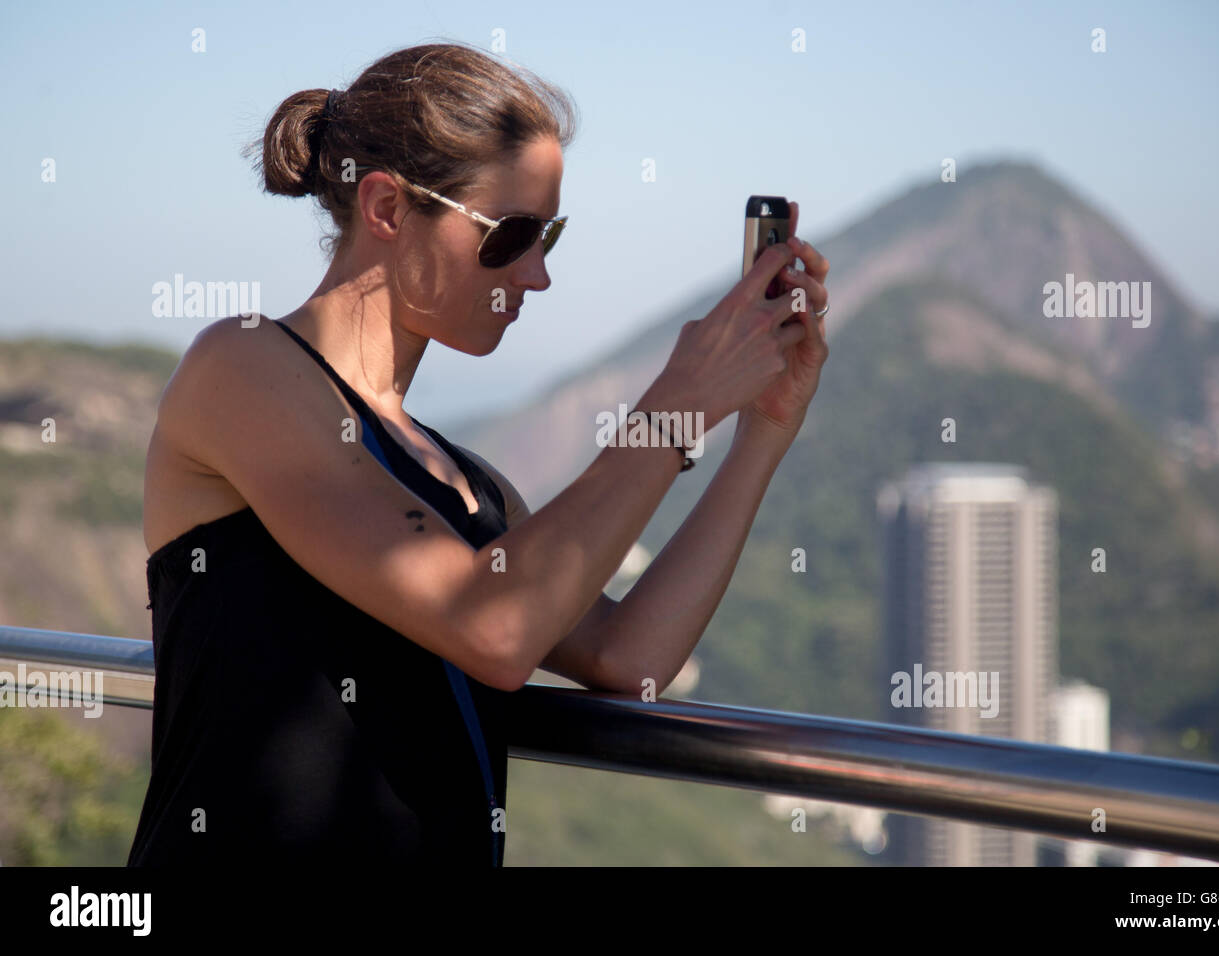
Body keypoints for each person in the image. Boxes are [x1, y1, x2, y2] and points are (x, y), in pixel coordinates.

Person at [127, 40, 830, 867]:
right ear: (387, 208)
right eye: (512, 235)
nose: (537, 275)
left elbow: (628, 658)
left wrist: (761, 430)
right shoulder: (241, 366)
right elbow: (494, 628)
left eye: (550, 236)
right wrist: (677, 404)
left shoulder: (463, 482)